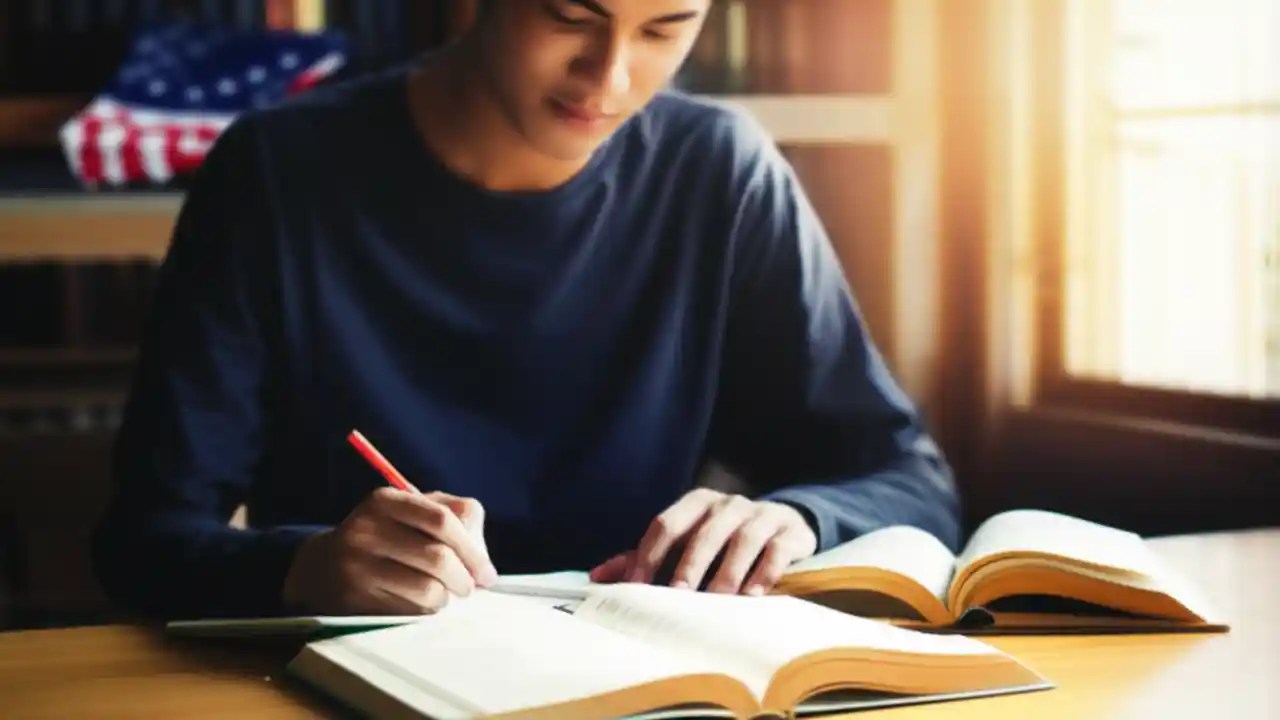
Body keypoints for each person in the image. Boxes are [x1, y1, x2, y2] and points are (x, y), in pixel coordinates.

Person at [93, 0, 960, 620]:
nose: (611, 78)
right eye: (570, 17)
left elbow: (911, 485)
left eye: (665, 28)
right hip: (356, 679)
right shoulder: (277, 175)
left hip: (637, 679)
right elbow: (146, 541)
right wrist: (302, 567)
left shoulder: (719, 173)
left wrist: (797, 519)